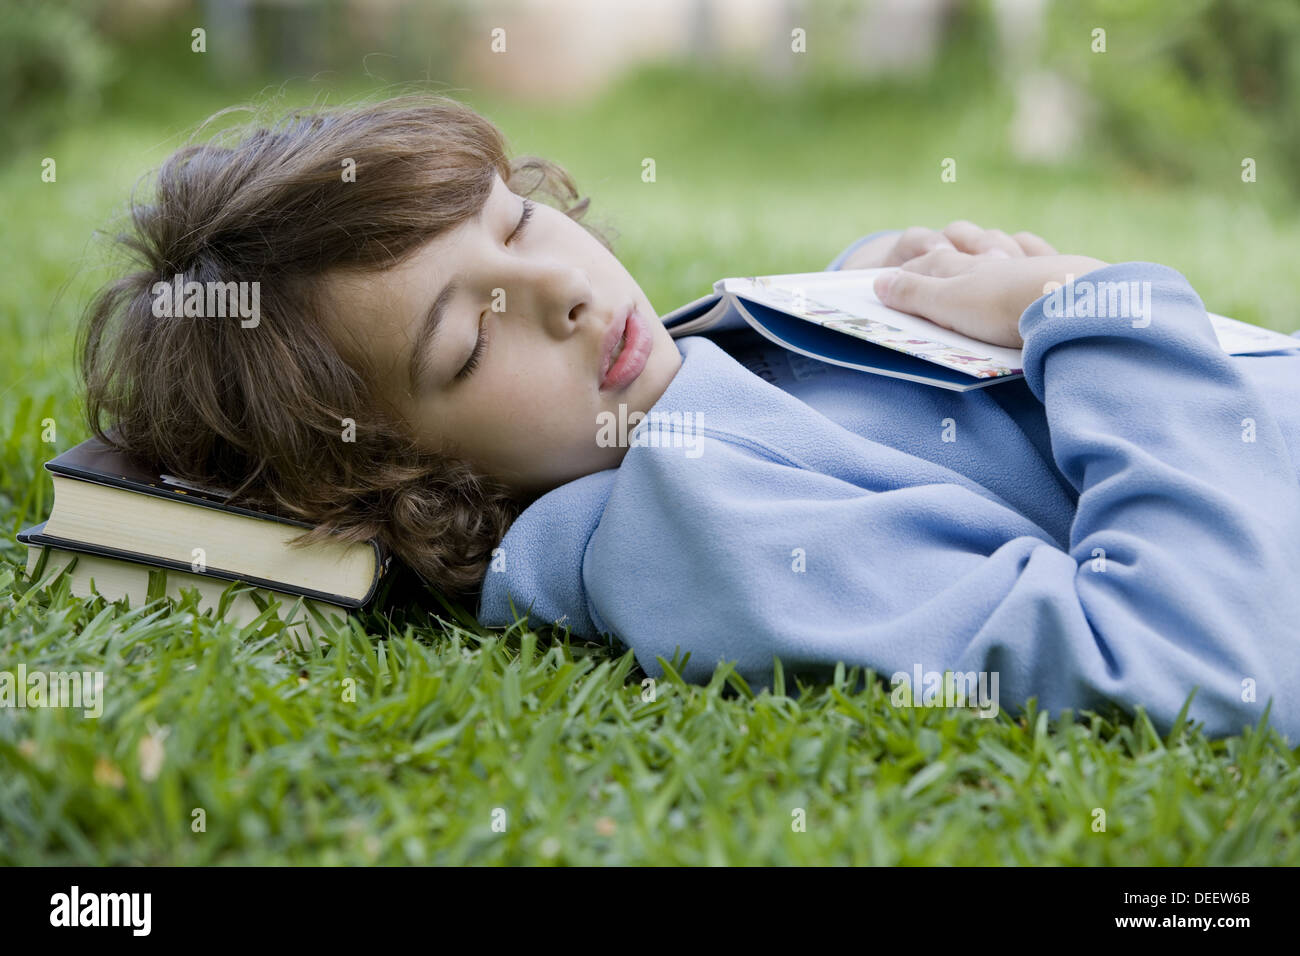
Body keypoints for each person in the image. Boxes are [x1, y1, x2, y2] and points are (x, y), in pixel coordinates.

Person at [80, 95, 1300, 740]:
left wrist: (883, 284)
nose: (559, 289)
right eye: (467, 339)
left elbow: (813, 425)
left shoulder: (653, 399)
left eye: (513, 222)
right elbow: (1199, 662)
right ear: (414, 480)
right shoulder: (703, 528)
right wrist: (1088, 313)